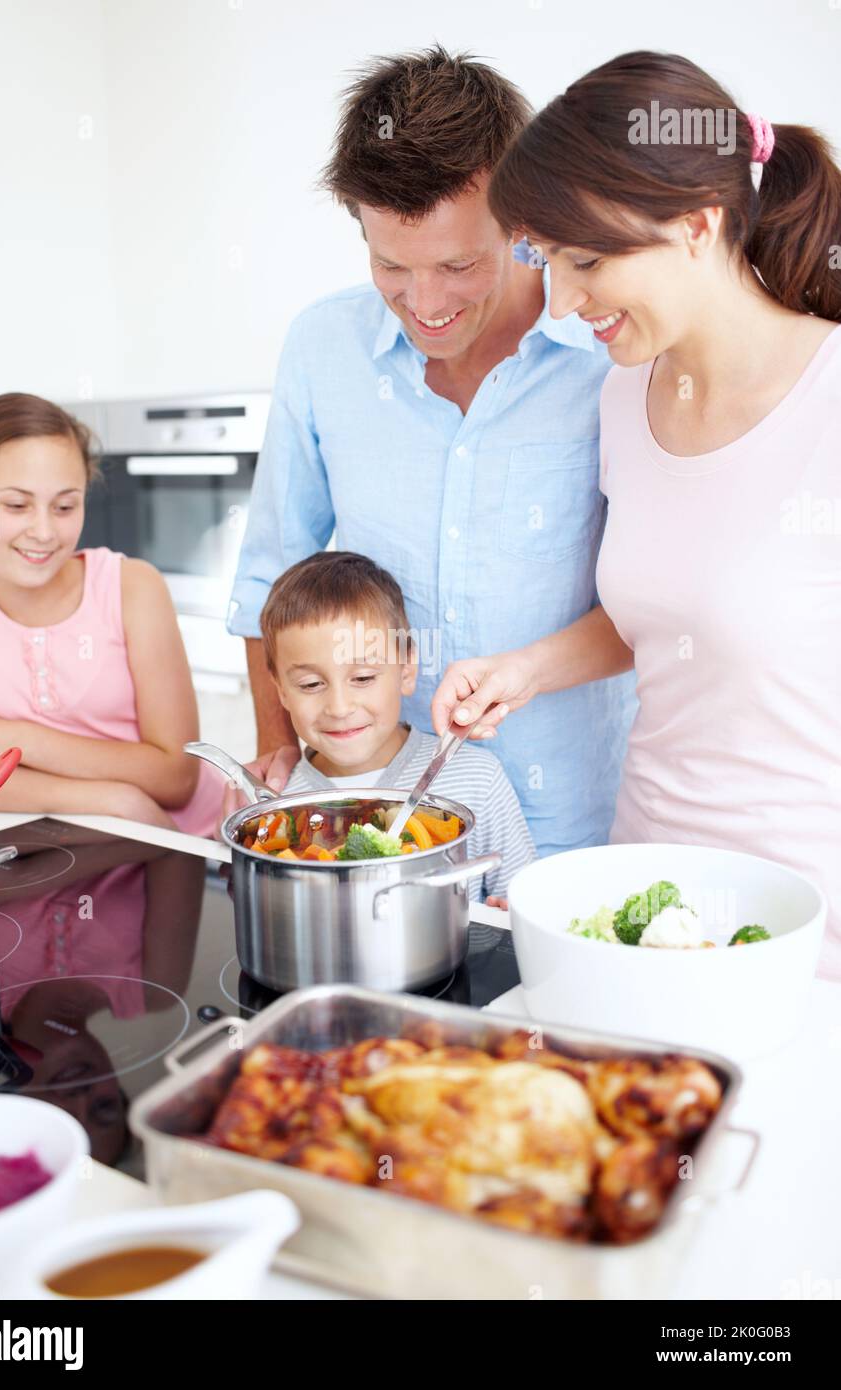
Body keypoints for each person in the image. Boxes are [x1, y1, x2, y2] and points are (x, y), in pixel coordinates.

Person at [430, 51, 841, 975]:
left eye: (584, 262)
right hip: (641, 896)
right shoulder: (625, 397)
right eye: (546, 261)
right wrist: (525, 669)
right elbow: (665, 614)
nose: (564, 303)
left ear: (695, 226)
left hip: (800, 929)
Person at [226, 45, 635, 860]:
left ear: (525, 224)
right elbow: (273, 572)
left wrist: (525, 670)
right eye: (390, 266)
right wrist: (282, 752)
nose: (426, 303)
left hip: (576, 827)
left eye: (458, 264)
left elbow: (651, 605)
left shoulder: (608, 355)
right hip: (386, 834)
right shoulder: (321, 347)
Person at [0, 392, 226, 834]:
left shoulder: (133, 587)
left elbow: (178, 779)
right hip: (65, 846)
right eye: (16, 505)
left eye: (65, 506)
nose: (45, 531)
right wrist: (116, 799)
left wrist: (15, 741)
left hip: (182, 847)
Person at [258, 551, 535, 904]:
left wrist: (509, 917)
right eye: (311, 684)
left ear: (406, 669)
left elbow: (524, 902)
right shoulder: (279, 804)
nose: (340, 708)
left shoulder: (478, 779)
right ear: (281, 689)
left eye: (362, 677)